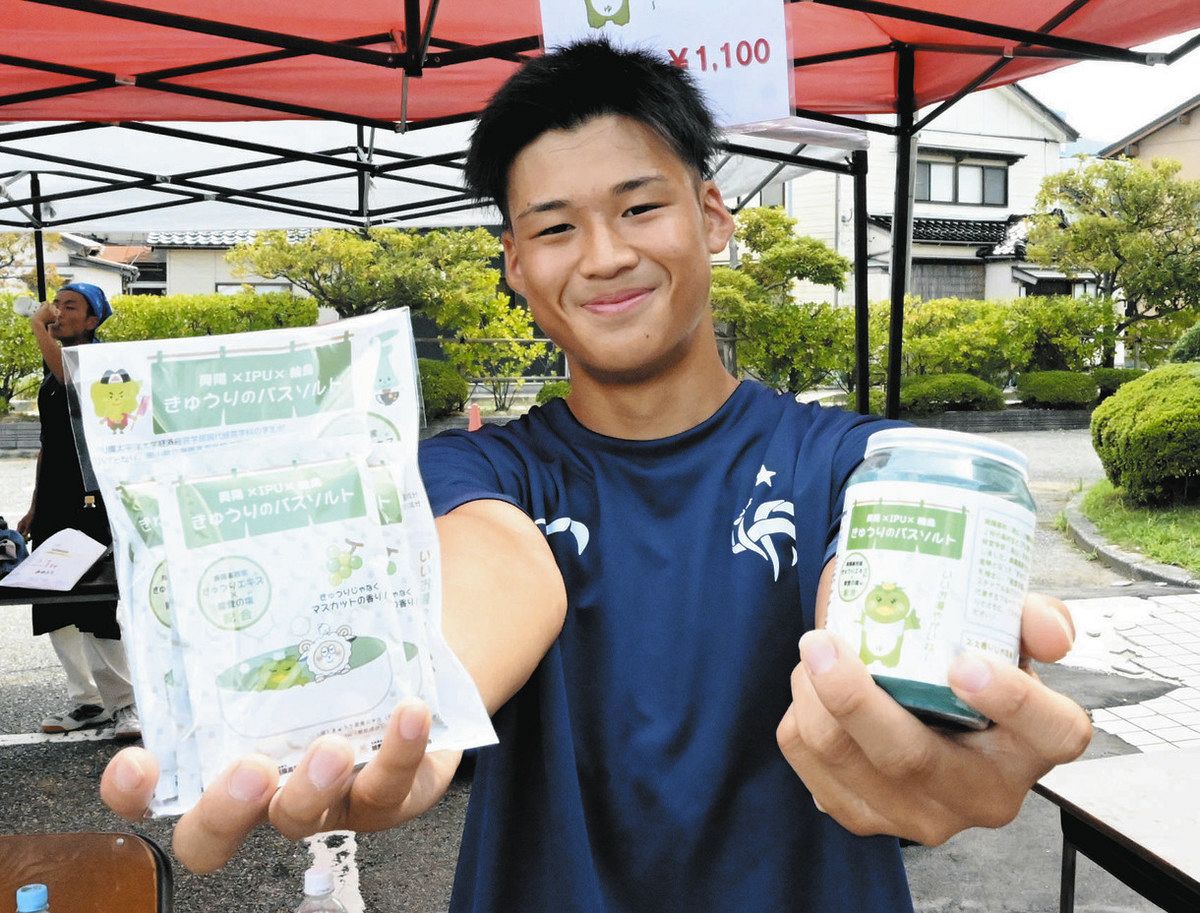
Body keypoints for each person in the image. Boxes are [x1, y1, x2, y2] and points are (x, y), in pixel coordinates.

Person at [101, 41, 1091, 910]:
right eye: (557, 227)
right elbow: (484, 575)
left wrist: (924, 704)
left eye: (640, 206)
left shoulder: (851, 465)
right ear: (516, 266)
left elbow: (875, 595)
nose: (606, 255)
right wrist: (405, 713)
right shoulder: (479, 466)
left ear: (711, 217)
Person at [18, 282, 139, 740]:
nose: (58, 312)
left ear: (92, 321)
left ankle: (125, 703)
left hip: (92, 500)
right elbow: (50, 443)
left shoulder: (99, 365)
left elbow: (73, 384)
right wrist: (34, 504)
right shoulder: (53, 369)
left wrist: (37, 326)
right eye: (57, 304)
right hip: (55, 500)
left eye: (71, 307)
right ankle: (87, 701)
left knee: (95, 602)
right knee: (53, 603)